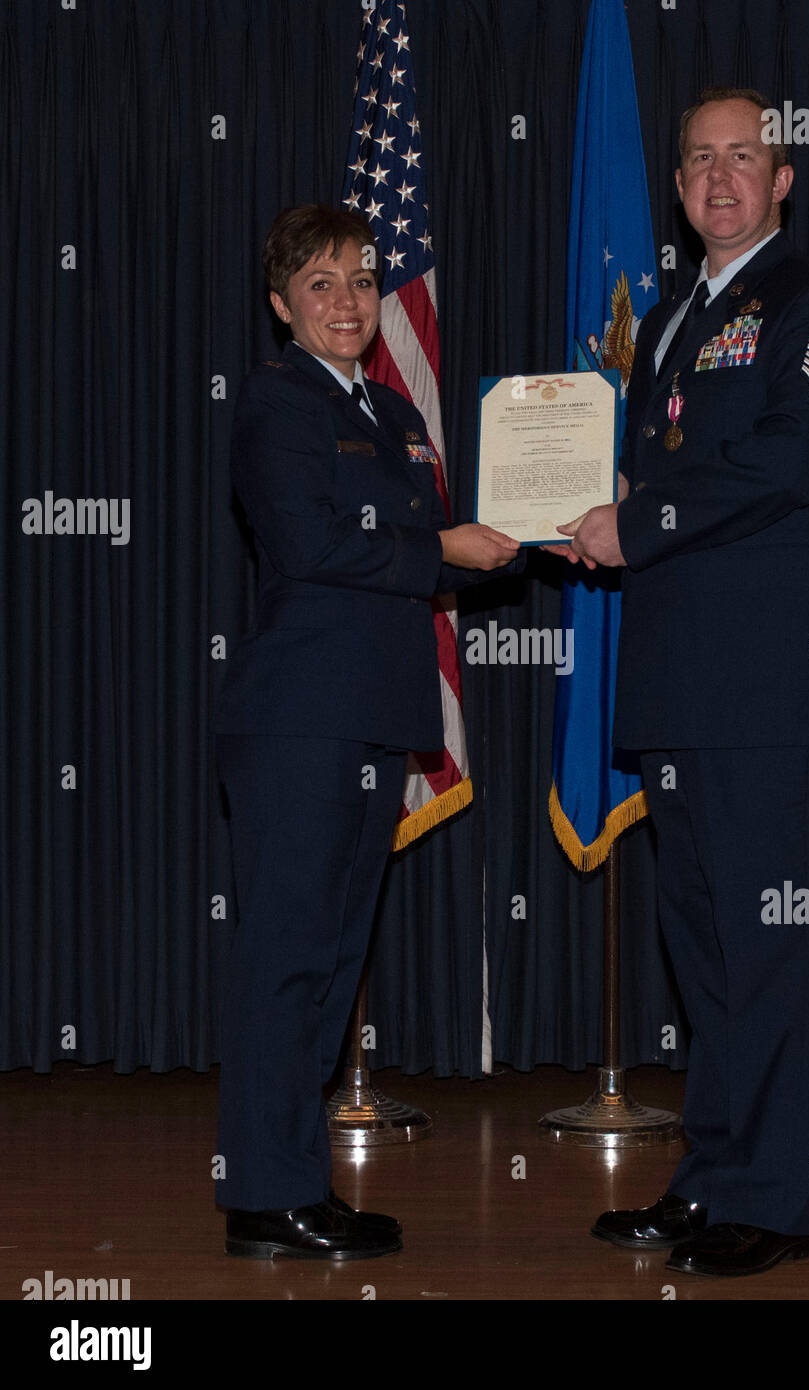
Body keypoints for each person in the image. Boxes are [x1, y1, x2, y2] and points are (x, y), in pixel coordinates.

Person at [552, 88, 809, 1277]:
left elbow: (787, 457)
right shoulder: (670, 319)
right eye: (698, 160)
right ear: (679, 185)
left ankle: (773, 1205)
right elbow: (640, 465)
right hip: (680, 691)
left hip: (771, 697)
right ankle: (711, 1173)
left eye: (743, 156)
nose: (720, 177)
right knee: (707, 956)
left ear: (782, 176)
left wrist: (637, 521)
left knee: (772, 952)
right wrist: (566, 510)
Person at [213, 204, 519, 1260]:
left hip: (370, 719)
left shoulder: (392, 414)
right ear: (281, 307)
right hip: (301, 720)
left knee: (333, 960)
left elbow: (428, 554)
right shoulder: (276, 402)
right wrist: (440, 540)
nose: (345, 301)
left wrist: (517, 533)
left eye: (358, 279)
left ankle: (295, 1180)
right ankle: (260, 1194)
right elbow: (311, 542)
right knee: (287, 959)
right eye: (319, 284)